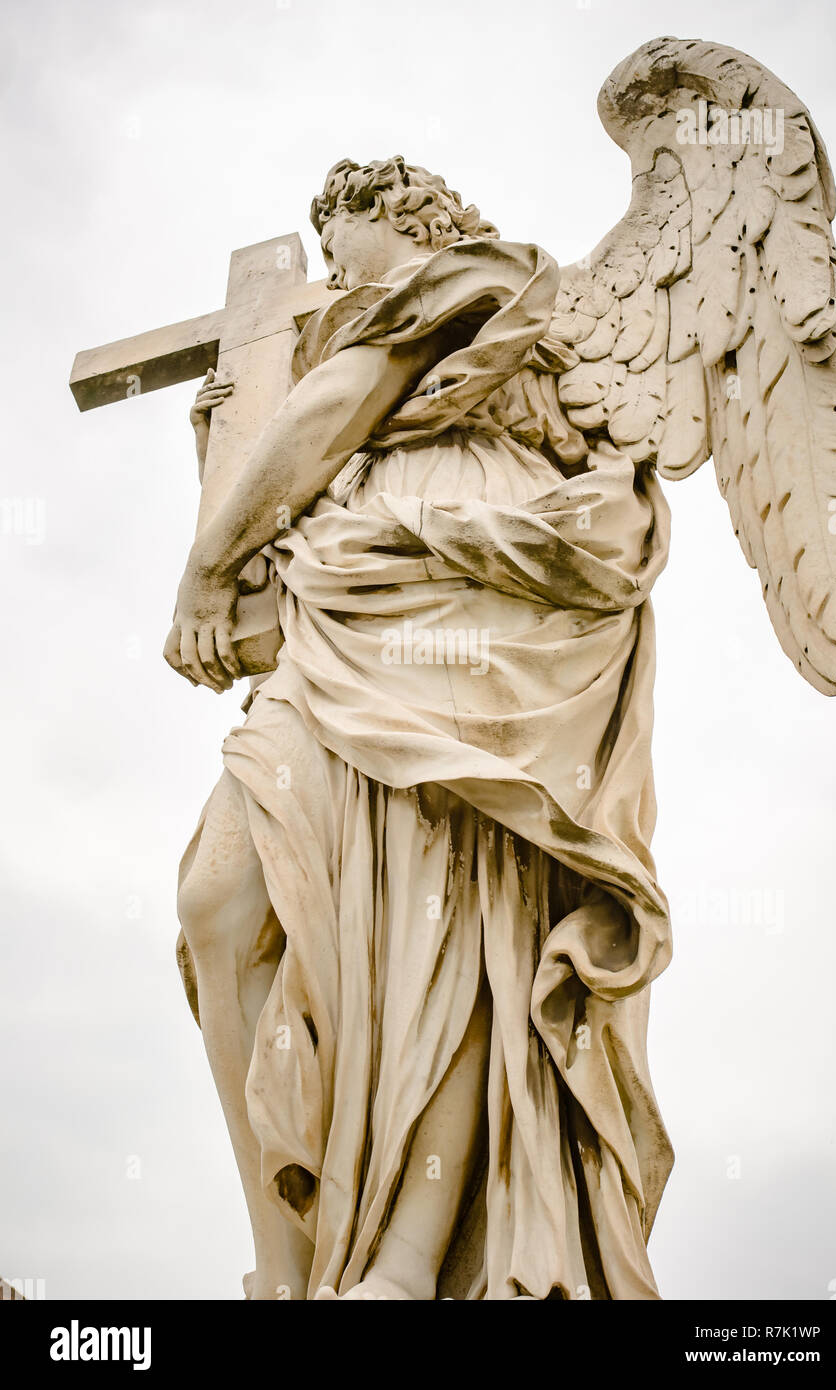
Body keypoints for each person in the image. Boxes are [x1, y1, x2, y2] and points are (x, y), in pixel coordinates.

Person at [165, 156, 674, 1300]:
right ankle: (290, 1263)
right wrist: (223, 473)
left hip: (472, 616)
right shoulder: (335, 423)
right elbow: (253, 629)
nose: (332, 268)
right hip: (345, 620)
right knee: (220, 904)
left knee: (454, 919)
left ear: (405, 214)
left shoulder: (488, 282)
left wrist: (207, 563)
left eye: (342, 238)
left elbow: (339, 402)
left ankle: (402, 1263)